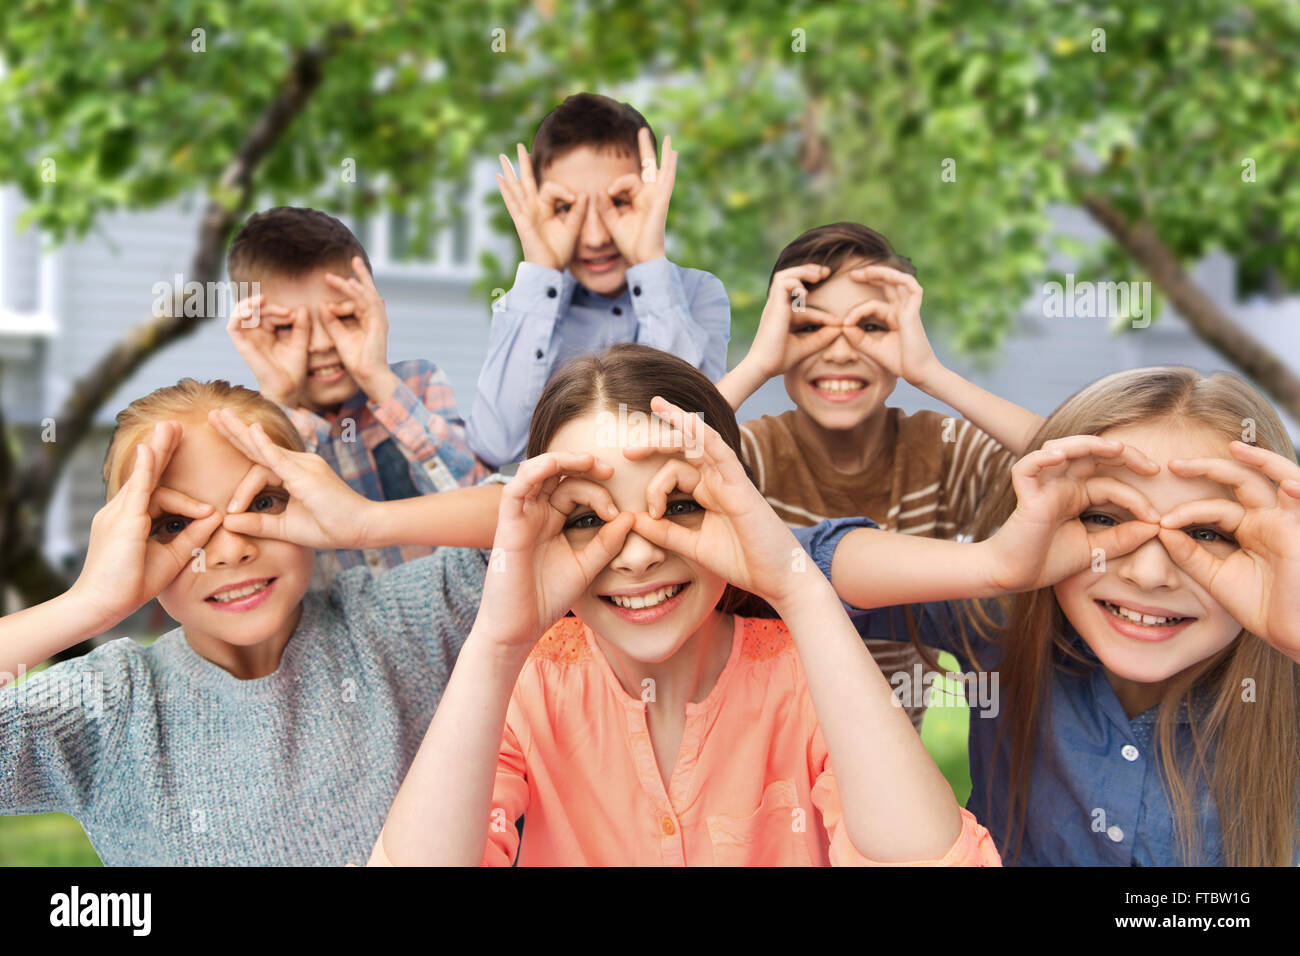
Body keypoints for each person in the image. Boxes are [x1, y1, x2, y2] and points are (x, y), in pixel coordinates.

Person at [364, 344, 1001, 865]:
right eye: (588, 516)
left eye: (679, 506)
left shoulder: (804, 680)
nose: (638, 555)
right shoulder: (528, 690)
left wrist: (798, 586)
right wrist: (497, 644)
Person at [796, 367, 1300, 865]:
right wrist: (991, 566)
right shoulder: (1004, 620)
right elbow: (787, 566)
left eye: (1207, 533)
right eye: (1103, 517)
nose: (1149, 574)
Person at [0, 380, 499, 865]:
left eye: (262, 502)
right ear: (127, 542)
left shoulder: (397, 625)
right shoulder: (113, 707)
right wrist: (89, 603)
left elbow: (556, 512)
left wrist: (368, 521)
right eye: (174, 525)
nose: (232, 549)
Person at [718, 222, 1044, 729]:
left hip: (892, 752)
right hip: (760, 748)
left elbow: (1084, 458)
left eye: (870, 326)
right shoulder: (751, 453)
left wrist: (931, 374)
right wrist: (756, 363)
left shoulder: (942, 453)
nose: (841, 350)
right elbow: (650, 463)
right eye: (809, 327)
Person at [467, 93, 731, 468]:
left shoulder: (699, 292)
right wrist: (540, 268)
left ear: (656, 196)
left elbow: (688, 436)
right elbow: (496, 445)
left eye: (620, 201)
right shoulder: (530, 306)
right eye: (565, 207)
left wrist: (648, 259)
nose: (594, 237)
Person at [226, 206, 488, 574]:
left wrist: (378, 379)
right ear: (252, 334)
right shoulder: (243, 430)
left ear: (376, 314)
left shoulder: (418, 383)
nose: (319, 344)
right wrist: (279, 399)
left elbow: (485, 508)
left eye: (344, 317)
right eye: (286, 328)